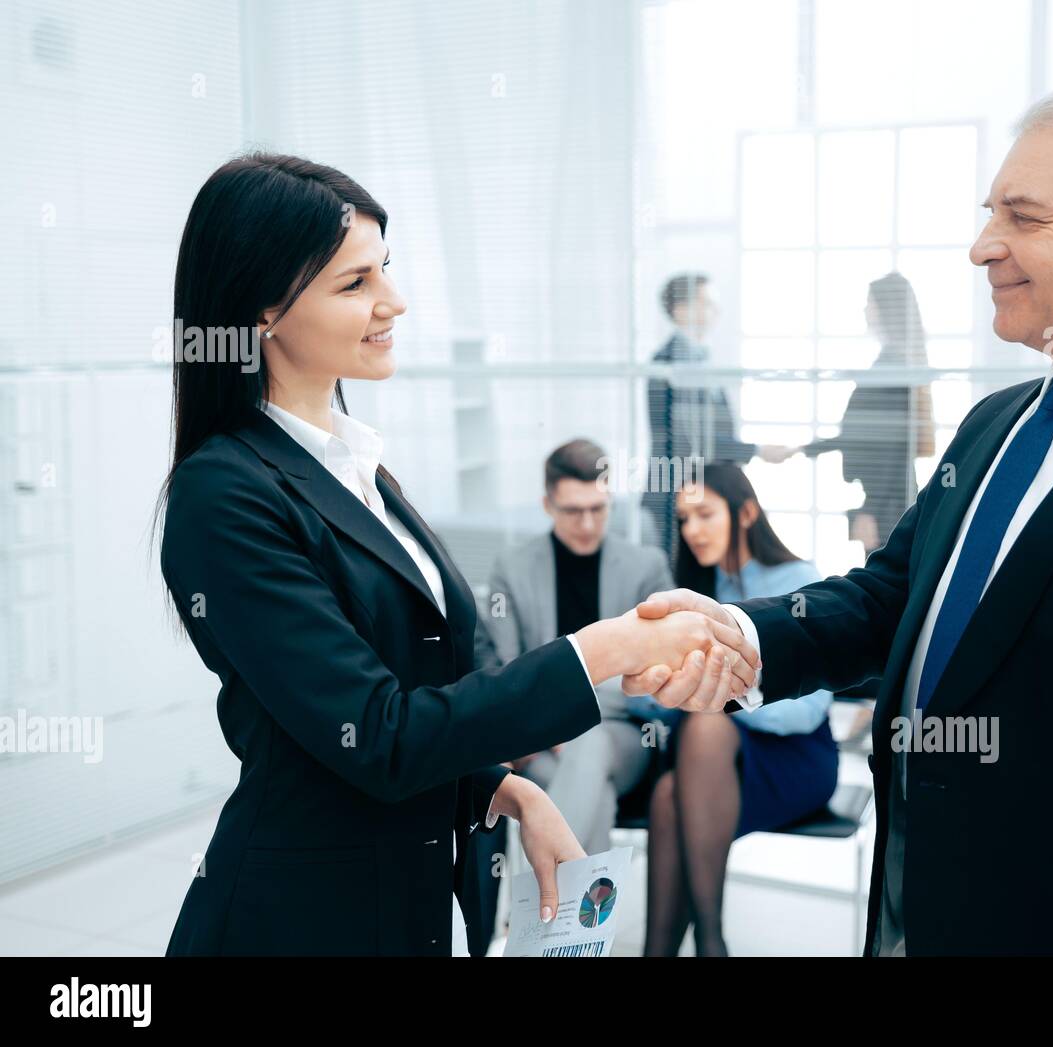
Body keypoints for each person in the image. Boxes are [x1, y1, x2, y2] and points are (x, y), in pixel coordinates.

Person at [624, 82, 1053, 956]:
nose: (984, 247)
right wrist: (743, 640)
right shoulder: (999, 423)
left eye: (1022, 217)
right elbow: (890, 597)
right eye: (991, 214)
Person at [155, 153, 757, 957]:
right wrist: (607, 648)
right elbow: (375, 732)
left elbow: (408, 690)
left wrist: (504, 791)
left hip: (406, 896)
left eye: (387, 271)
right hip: (299, 915)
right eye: (355, 282)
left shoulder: (361, 468)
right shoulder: (223, 495)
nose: (393, 302)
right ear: (264, 309)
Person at [644, 463, 835, 957]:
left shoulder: (798, 580)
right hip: (712, 767)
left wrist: (726, 701)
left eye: (705, 514)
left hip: (795, 758)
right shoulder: (695, 590)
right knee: (668, 795)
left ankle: (709, 939)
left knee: (708, 724)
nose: (692, 530)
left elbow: (807, 713)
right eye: (685, 519)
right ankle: (676, 947)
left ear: (746, 512)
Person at [484, 438, 674, 854]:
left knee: (589, 745)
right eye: (573, 511)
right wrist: (546, 727)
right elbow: (506, 673)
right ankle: (579, 917)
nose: (588, 524)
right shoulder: (511, 570)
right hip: (541, 746)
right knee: (590, 792)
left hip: (623, 739)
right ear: (547, 505)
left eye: (598, 509)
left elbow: (662, 674)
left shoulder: (647, 567)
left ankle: (539, 911)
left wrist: (562, 712)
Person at [644, 273, 791, 556]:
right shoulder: (671, 363)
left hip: (699, 488)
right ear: (680, 310)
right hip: (678, 491)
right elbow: (691, 439)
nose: (716, 312)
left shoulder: (698, 360)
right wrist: (757, 450)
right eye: (707, 303)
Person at [801, 271, 935, 554]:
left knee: (884, 586)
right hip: (889, 495)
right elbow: (860, 434)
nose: (865, 310)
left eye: (870, 303)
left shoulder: (893, 366)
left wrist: (870, 510)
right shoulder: (896, 362)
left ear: (886, 308)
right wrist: (804, 448)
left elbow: (890, 447)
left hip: (886, 499)